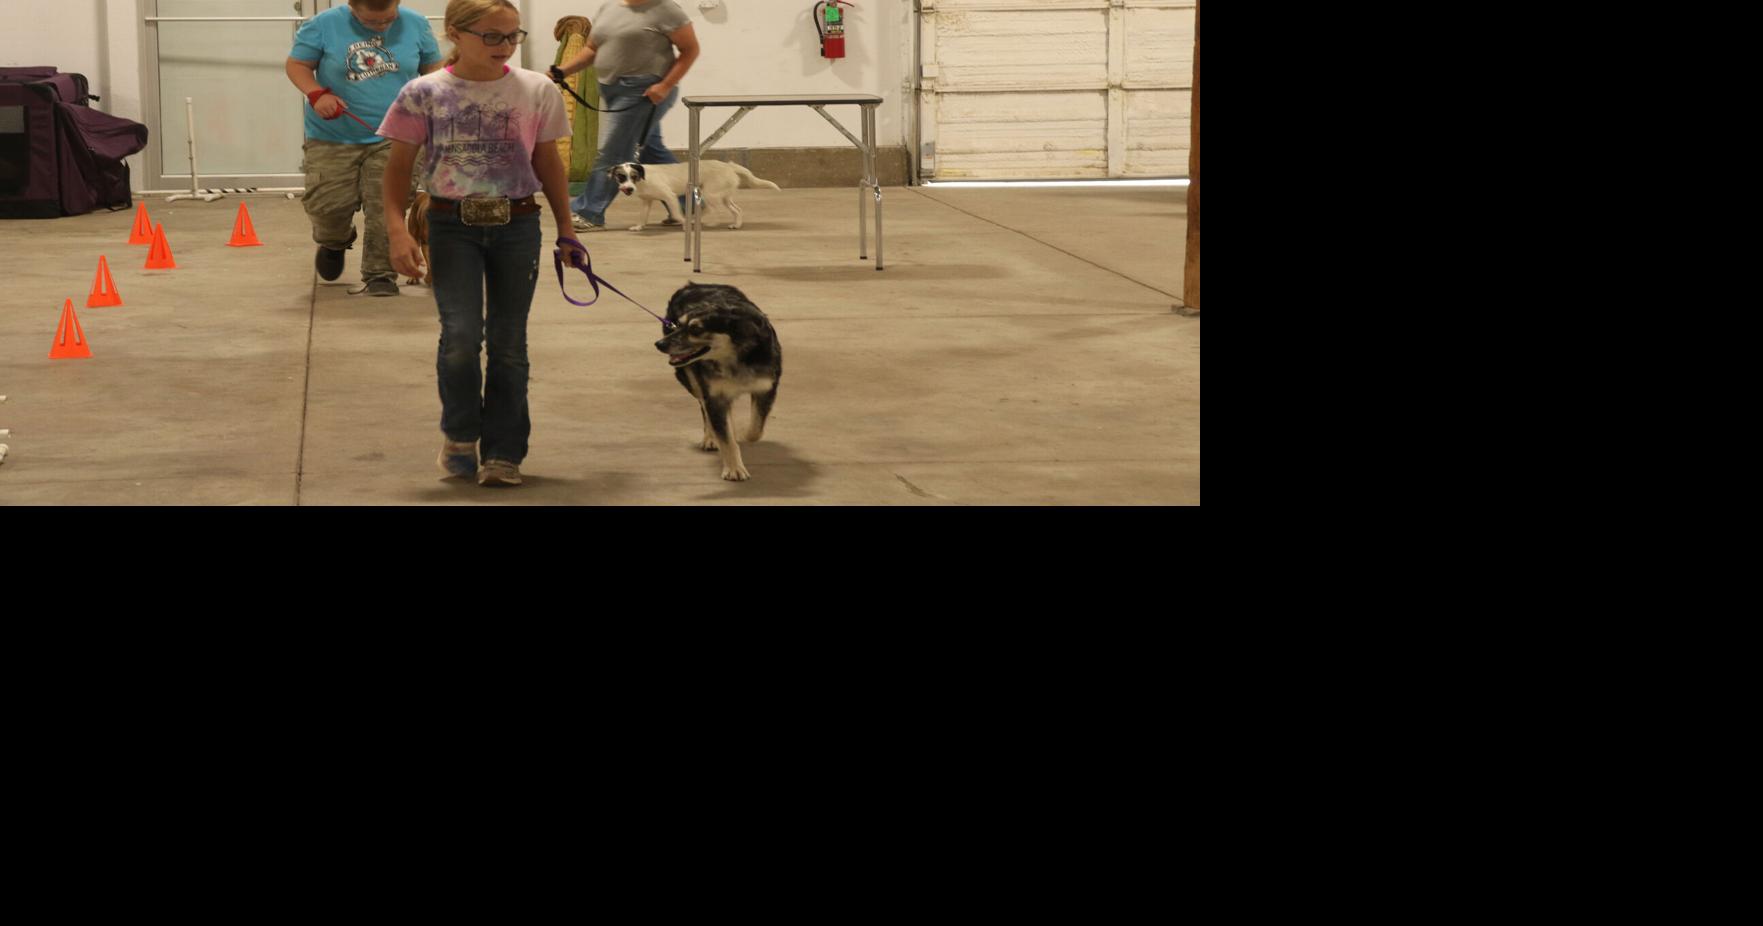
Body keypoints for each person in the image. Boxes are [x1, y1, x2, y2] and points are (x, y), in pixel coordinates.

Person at [378, 0, 586, 487]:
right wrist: (397, 230)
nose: (505, 45)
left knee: (509, 343)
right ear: (455, 33)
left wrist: (567, 228)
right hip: (451, 226)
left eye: (513, 35)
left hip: (518, 225)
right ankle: (460, 433)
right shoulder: (423, 92)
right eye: (492, 36)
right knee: (461, 337)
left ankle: (504, 453)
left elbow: (548, 162)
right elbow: (398, 169)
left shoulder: (537, 89)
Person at [286, 0, 442, 296]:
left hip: (397, 135)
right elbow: (297, 65)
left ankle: (380, 274)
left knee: (387, 205)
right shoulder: (322, 25)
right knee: (327, 207)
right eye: (371, 22)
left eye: (388, 19)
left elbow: (434, 66)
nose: (381, 26)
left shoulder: (416, 24)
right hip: (333, 135)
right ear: (352, 6)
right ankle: (334, 241)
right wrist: (316, 94)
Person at [550, 0, 699, 232]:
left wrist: (666, 85)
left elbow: (690, 50)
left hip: (644, 91)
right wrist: (562, 71)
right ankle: (690, 205)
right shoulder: (610, 6)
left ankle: (589, 212)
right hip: (611, 89)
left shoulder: (665, 9)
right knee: (651, 151)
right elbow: (593, 48)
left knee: (614, 152)